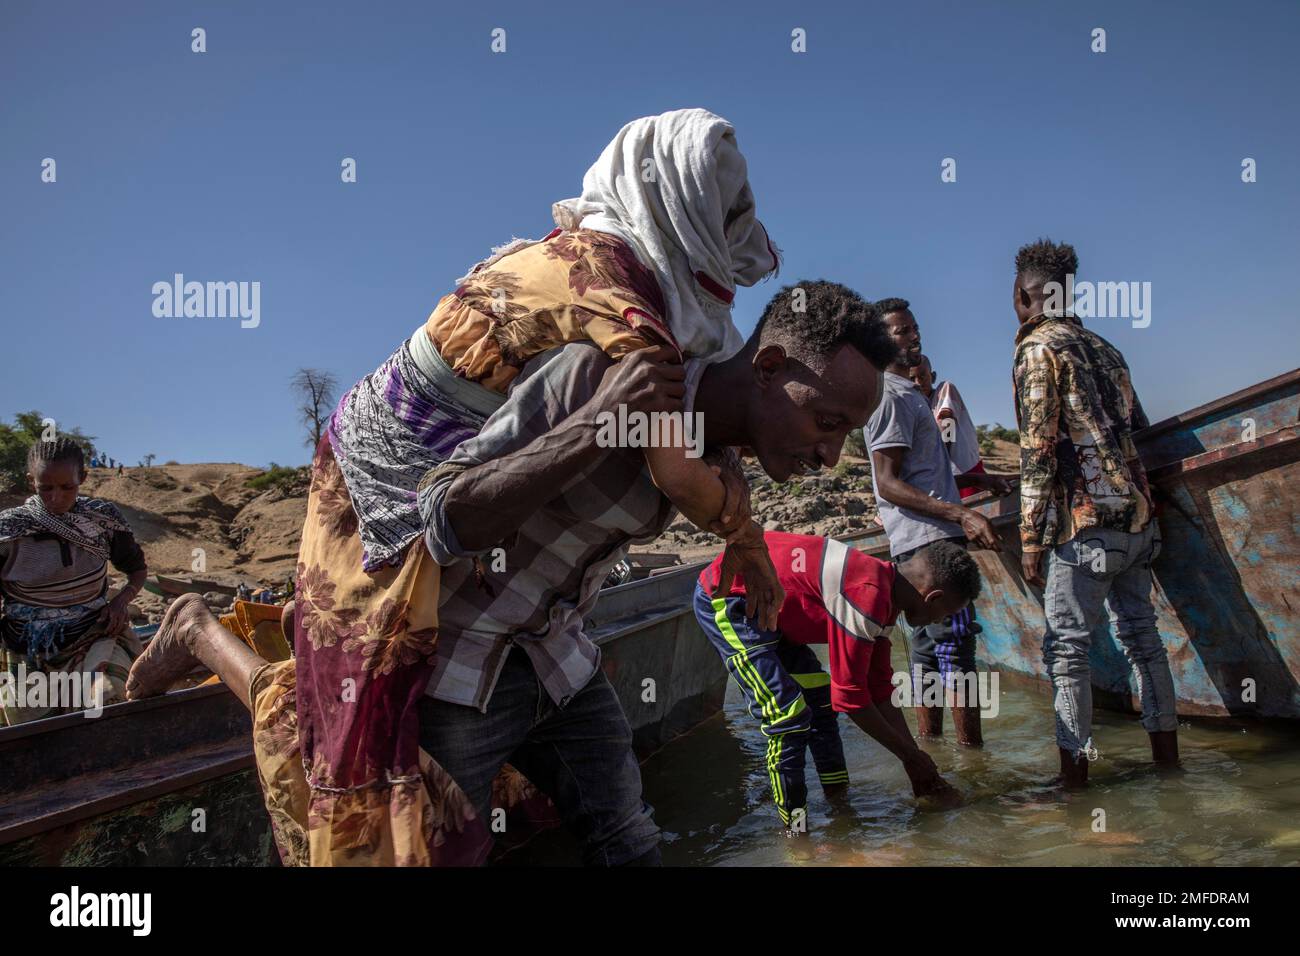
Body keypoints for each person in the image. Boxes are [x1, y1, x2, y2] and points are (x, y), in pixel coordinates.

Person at [128, 279, 898, 866]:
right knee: (401, 829)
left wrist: (748, 542)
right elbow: (448, 513)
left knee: (627, 837)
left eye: (846, 435)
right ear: (766, 367)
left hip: (556, 656)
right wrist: (595, 430)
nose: (832, 454)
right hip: (451, 664)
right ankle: (195, 626)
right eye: (825, 423)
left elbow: (727, 509)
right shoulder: (599, 376)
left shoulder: (716, 464)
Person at [1011, 238, 1179, 788]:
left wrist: (1031, 538)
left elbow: (1037, 449)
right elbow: (1136, 432)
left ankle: (1075, 785)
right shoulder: (1106, 349)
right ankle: (1168, 765)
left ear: (1022, 296)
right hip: (1137, 521)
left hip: (1084, 531)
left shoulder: (1038, 349)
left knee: (1068, 654)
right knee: (1143, 639)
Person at [695, 533, 978, 831]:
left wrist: (915, 762)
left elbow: (878, 688)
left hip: (777, 615)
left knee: (821, 705)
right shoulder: (865, 594)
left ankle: (840, 806)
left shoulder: (886, 596)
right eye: (946, 615)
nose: (938, 622)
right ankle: (796, 835)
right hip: (730, 599)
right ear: (933, 597)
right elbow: (852, 699)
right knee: (787, 716)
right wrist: (911, 757)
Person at [866, 299, 1010, 746]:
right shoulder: (891, 396)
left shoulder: (906, 394)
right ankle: (973, 758)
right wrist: (962, 512)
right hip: (930, 542)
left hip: (918, 540)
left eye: (915, 328)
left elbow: (922, 471)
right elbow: (887, 482)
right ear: (878, 341)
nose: (914, 337)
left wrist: (977, 478)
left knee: (928, 652)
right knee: (957, 647)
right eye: (901, 331)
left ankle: (934, 752)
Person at [0, 438, 146, 725]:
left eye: (68, 487)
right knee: (30, 727)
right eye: (46, 488)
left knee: (109, 701)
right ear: (32, 481)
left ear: (83, 478)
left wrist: (120, 602)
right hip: (26, 647)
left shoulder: (103, 521)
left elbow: (137, 570)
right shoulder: (8, 530)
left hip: (93, 635)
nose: (56, 497)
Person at [907, 354, 992, 500]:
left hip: (963, 471)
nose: (918, 382)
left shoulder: (944, 390)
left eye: (922, 376)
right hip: (944, 477)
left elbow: (948, 423)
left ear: (932, 376)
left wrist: (941, 457)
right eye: (912, 379)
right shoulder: (918, 407)